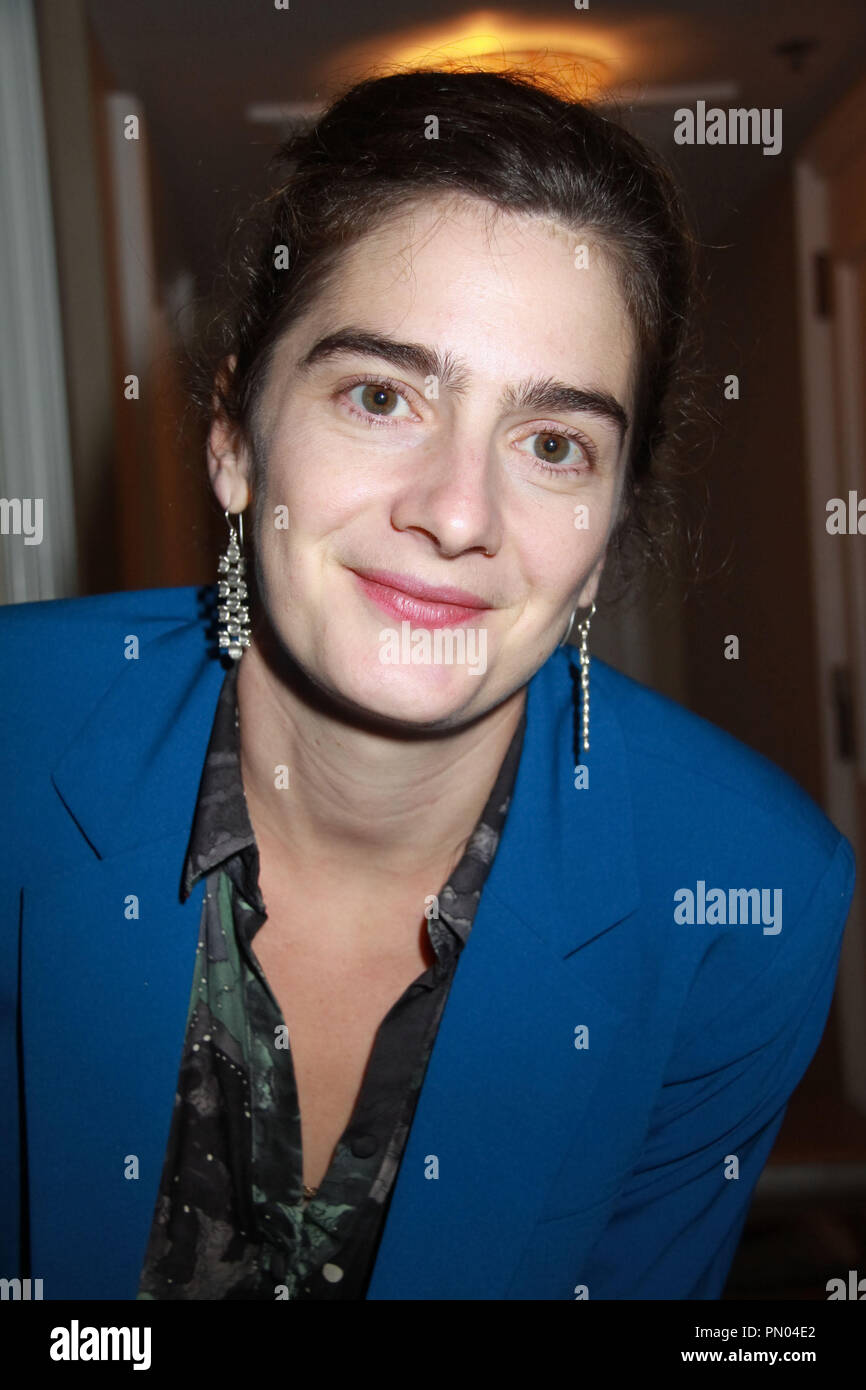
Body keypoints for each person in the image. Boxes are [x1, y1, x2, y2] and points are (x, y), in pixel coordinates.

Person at [0, 68, 855, 1302]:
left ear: (607, 532)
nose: (458, 514)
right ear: (234, 444)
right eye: (379, 394)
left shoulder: (744, 902)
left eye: (554, 443)